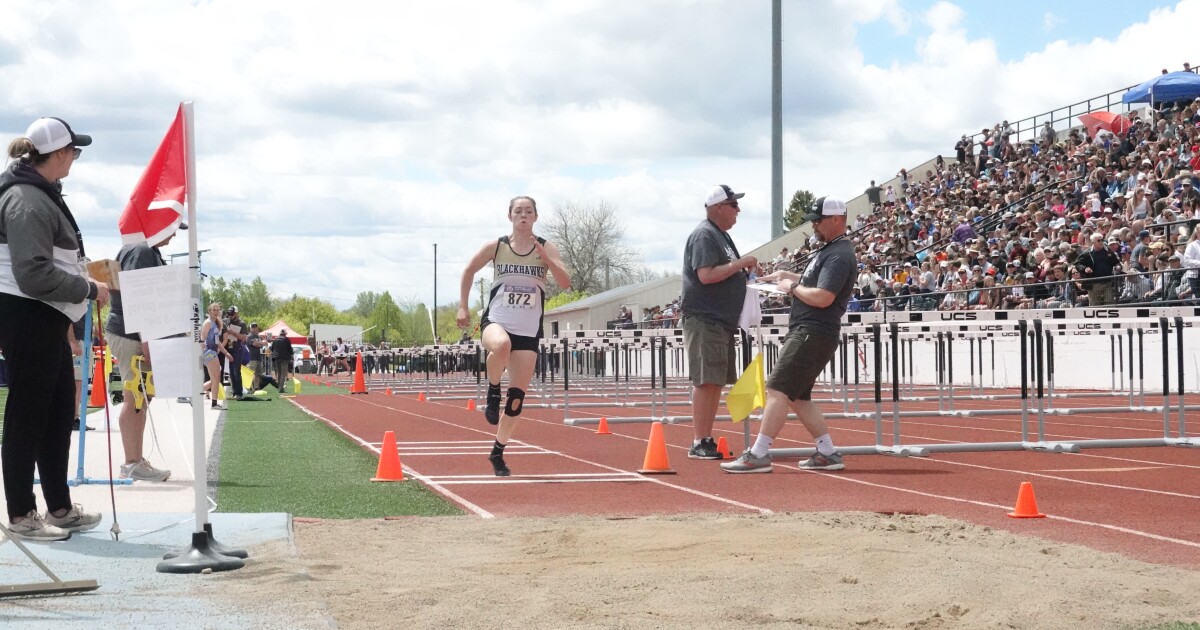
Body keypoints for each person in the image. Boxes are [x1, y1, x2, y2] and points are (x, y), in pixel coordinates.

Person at [0, 117, 109, 539]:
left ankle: (59, 507)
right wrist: (87, 287)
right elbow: (32, 274)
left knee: (58, 411)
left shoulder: (36, 192)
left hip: (44, 316)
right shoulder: (26, 199)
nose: (75, 159)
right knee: (29, 413)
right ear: (59, 154)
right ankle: (22, 515)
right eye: (74, 152)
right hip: (27, 313)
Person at [721, 196, 855, 474]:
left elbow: (823, 296)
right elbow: (812, 285)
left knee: (777, 389)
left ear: (836, 220)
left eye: (818, 220)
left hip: (812, 331)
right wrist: (786, 277)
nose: (813, 225)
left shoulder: (839, 255)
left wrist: (791, 289)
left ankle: (758, 454)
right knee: (798, 397)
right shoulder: (831, 250)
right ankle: (828, 452)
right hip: (813, 331)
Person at [456, 195, 570, 476]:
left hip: (529, 330)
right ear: (510, 216)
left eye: (528, 211)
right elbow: (469, 269)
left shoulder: (546, 247)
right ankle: (493, 389)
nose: (523, 215)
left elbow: (566, 283)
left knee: (517, 400)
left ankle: (497, 453)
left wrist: (547, 261)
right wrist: (462, 306)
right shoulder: (497, 246)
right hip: (497, 321)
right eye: (518, 211)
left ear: (535, 217)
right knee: (501, 345)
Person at [104, 218, 185, 482]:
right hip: (132, 333)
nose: (173, 236)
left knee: (140, 395)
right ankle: (131, 462)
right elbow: (140, 297)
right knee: (136, 395)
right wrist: (149, 340)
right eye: (171, 229)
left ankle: (134, 460)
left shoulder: (138, 249)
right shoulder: (143, 251)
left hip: (130, 331)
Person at [681, 185, 758, 460]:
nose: (738, 210)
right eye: (734, 205)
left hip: (719, 320)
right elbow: (706, 275)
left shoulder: (720, 236)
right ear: (718, 208)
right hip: (706, 318)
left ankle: (705, 438)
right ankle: (699, 440)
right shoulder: (705, 235)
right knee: (706, 380)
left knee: (715, 381)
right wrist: (741, 264)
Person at [200, 303, 233, 408]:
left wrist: (226, 353)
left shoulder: (216, 323)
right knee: (216, 377)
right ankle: (213, 403)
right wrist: (204, 351)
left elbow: (217, 341)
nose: (216, 311)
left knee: (215, 378)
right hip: (209, 352)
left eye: (217, 310)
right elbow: (202, 338)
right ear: (209, 311)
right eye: (214, 310)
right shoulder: (208, 323)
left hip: (212, 351)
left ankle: (195, 394)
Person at [223, 305, 249, 399]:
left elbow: (244, 338)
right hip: (228, 348)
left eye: (232, 314)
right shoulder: (225, 321)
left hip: (237, 349)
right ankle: (234, 392)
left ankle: (239, 393)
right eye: (229, 314)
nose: (230, 316)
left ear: (236, 313)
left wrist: (232, 332)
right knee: (231, 371)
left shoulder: (242, 323)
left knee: (236, 371)